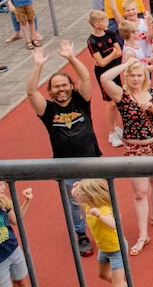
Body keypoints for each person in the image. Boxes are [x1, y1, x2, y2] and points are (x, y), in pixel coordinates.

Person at [25, 41, 98, 257]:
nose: (61, 89)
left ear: (71, 86)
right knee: (75, 202)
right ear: (50, 91)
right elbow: (31, 92)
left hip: (92, 160)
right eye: (56, 86)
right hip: (66, 166)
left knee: (98, 197)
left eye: (64, 85)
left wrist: (71, 58)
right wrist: (38, 65)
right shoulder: (48, 110)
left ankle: (106, 227)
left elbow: (86, 78)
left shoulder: (81, 101)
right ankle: (81, 234)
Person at [98, 59, 153, 255]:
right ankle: (142, 235)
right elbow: (104, 78)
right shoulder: (121, 95)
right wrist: (127, 64)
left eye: (139, 75)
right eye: (132, 75)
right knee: (140, 192)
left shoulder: (152, 92)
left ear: (144, 76)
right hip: (135, 149)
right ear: (126, 76)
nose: (136, 79)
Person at [71, 179, 127, 287]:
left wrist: (100, 216)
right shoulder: (88, 205)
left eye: (81, 193)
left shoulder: (104, 209)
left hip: (117, 250)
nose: (78, 195)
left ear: (90, 195)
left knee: (117, 283)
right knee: (103, 275)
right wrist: (75, 189)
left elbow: (115, 225)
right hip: (104, 248)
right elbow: (74, 196)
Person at [87, 10, 125, 148]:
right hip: (104, 75)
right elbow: (101, 63)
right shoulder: (92, 41)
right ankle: (111, 133)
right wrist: (113, 54)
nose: (107, 22)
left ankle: (116, 126)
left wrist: (111, 55)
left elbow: (119, 52)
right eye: (104, 21)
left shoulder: (109, 34)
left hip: (115, 71)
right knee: (111, 103)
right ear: (96, 25)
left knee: (118, 100)